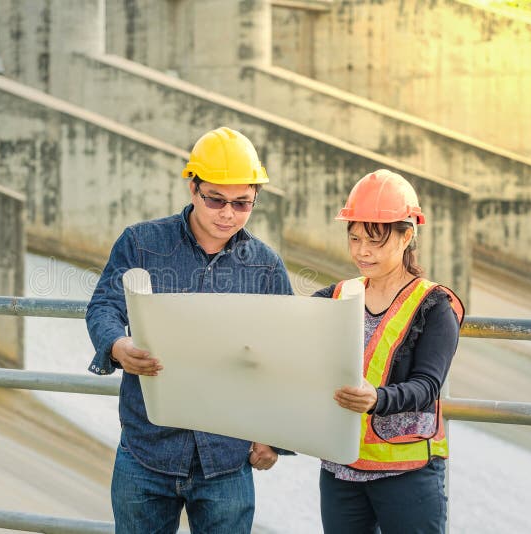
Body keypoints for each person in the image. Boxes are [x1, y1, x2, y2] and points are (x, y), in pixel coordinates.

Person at [86, 126, 294, 533]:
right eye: (215, 199)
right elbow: (105, 305)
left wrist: (274, 437)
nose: (227, 213)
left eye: (242, 203)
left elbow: (285, 357)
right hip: (147, 449)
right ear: (192, 187)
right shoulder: (142, 244)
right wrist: (116, 345)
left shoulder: (266, 267)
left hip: (227, 459)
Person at [313, 169, 464, 534]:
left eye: (375, 241)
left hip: (406, 476)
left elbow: (428, 386)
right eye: (354, 239)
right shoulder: (335, 297)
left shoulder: (433, 305)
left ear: (407, 235)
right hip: (341, 472)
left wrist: (376, 398)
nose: (362, 251)